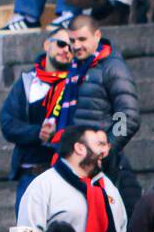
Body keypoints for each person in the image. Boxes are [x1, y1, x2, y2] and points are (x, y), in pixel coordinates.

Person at [17, 124, 128, 232]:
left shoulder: (107, 186)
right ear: (79, 148)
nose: (103, 152)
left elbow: (122, 231)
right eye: (98, 145)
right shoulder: (43, 185)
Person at [52, 15, 142, 213]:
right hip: (74, 160)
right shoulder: (75, 68)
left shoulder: (112, 67)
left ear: (97, 36)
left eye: (82, 40)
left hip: (101, 165)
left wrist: (107, 145)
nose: (76, 46)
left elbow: (128, 114)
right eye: (72, 41)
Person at [0, 26, 73, 215]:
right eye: (61, 43)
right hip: (31, 174)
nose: (66, 50)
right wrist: (37, 133)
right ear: (47, 45)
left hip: (65, 172)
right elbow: (8, 123)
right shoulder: (27, 82)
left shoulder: (76, 82)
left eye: (71, 47)